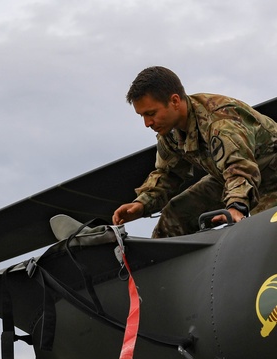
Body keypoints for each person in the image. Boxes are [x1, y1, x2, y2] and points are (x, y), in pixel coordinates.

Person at [112, 66, 277, 238]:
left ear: (175, 101)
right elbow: (169, 174)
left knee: (266, 232)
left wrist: (236, 207)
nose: (147, 123)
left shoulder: (219, 122)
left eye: (151, 113)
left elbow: (239, 167)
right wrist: (141, 204)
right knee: (176, 215)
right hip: (229, 178)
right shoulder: (170, 132)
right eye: (142, 116)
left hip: (270, 178)